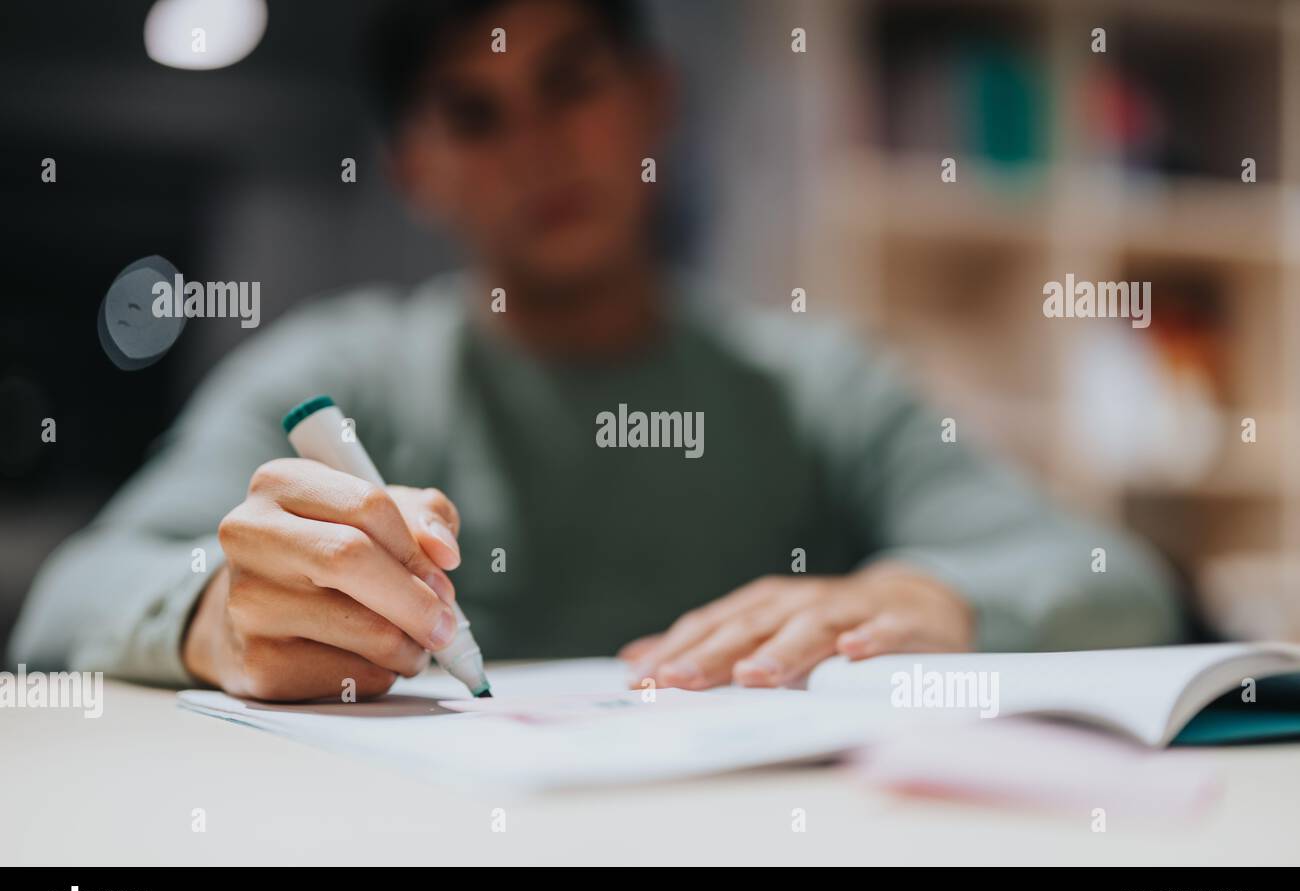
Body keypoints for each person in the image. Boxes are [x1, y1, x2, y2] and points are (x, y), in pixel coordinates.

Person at [10, 0, 1178, 701]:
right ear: (413, 166)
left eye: (569, 84)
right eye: (474, 112)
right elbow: (63, 602)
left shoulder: (823, 386)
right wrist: (215, 615)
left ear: (653, 99)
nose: (537, 146)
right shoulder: (333, 374)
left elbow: (1113, 582)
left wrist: (927, 595)